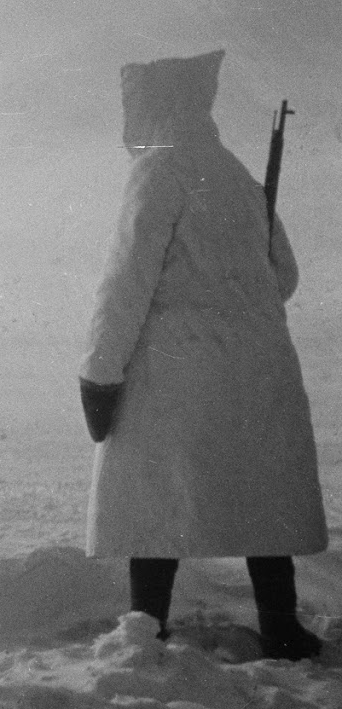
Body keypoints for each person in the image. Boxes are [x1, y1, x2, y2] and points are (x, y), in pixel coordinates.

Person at [78, 49, 328, 660]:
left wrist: (99, 373)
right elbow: (284, 277)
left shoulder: (158, 171)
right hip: (259, 361)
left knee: (154, 496)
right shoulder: (238, 176)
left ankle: (145, 630)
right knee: (262, 495)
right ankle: (281, 628)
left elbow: (126, 284)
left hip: (175, 368)